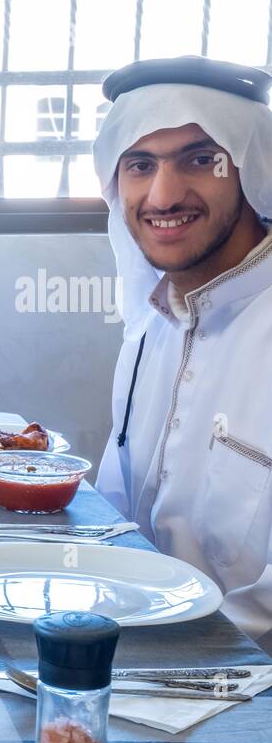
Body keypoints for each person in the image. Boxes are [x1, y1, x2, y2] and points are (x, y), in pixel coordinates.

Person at [94, 55, 272, 646]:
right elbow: (114, 524)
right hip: (136, 648)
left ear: (253, 172)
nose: (163, 196)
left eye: (200, 160)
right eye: (139, 166)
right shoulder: (151, 327)